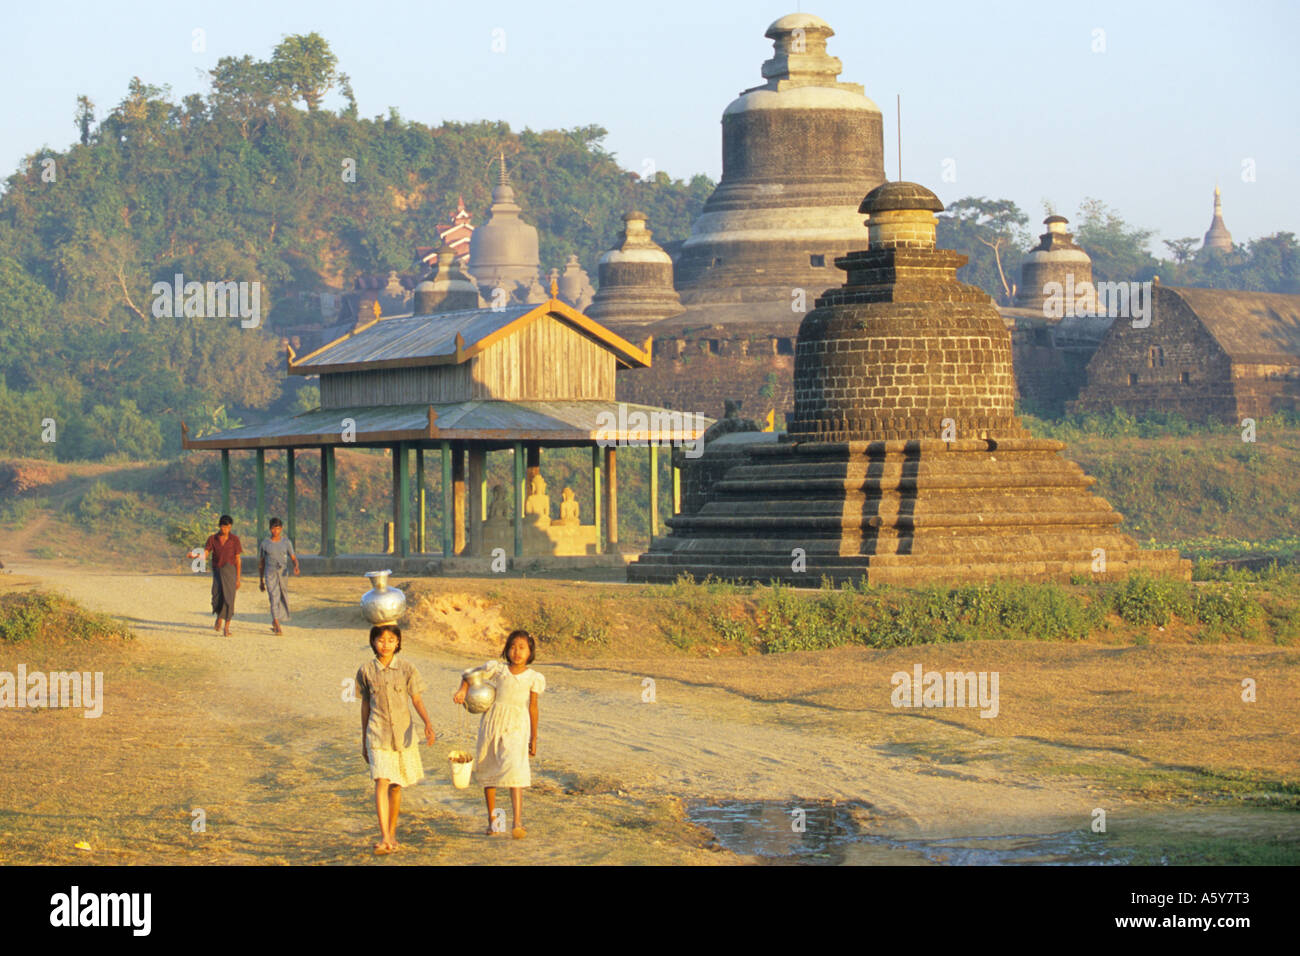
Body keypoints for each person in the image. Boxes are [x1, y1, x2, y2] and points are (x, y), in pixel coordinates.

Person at [453, 629, 544, 839]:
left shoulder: (534, 678)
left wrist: (534, 737)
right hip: (493, 722)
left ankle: (517, 822)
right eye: (512, 647)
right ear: (506, 649)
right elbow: (470, 675)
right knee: (489, 768)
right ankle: (493, 821)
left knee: (516, 769)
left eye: (522, 648)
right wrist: (462, 690)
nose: (517, 652)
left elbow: (533, 708)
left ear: (530, 651)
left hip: (517, 726)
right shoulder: (498, 670)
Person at [357, 624, 435, 855]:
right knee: (381, 780)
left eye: (391, 640)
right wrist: (363, 739)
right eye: (381, 640)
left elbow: (417, 699)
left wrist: (428, 724)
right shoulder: (365, 671)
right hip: (377, 733)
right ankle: (384, 837)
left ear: (398, 643)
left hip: (402, 734)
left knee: (395, 785)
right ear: (373, 642)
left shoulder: (407, 669)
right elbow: (364, 705)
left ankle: (392, 832)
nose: (386, 644)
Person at [257, 517, 299, 635]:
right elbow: (261, 563)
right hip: (270, 573)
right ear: (270, 529)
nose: (276, 531)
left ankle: (275, 621)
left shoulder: (286, 543)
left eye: (278, 528)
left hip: (283, 573)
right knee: (273, 597)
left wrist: (296, 566)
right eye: (274, 529)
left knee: (282, 596)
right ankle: (277, 623)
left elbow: (293, 558)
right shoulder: (265, 544)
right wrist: (261, 580)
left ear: (281, 529)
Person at [203, 515, 242, 636]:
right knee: (217, 596)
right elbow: (205, 553)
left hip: (230, 571)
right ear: (220, 526)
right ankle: (219, 617)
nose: (226, 530)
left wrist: (238, 578)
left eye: (229, 527)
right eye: (224, 527)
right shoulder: (212, 539)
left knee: (229, 598)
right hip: (217, 570)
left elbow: (238, 559)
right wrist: (194, 556)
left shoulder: (234, 540)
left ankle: (227, 628)